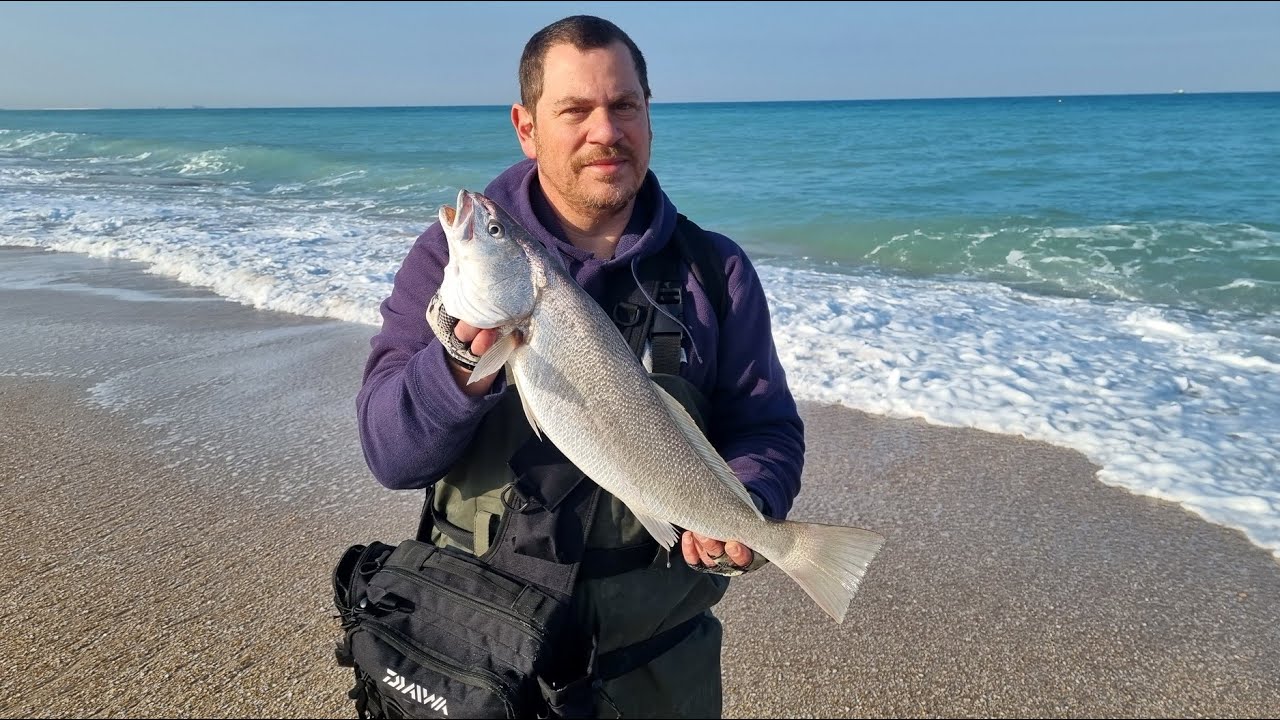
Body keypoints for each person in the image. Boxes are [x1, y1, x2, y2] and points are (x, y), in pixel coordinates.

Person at [356, 14, 805, 718]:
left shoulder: (714, 272)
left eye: (624, 105)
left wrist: (751, 503)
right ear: (526, 126)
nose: (606, 130)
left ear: (650, 115)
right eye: (575, 109)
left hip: (655, 670)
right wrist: (458, 367)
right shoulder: (453, 263)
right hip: (469, 653)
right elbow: (389, 454)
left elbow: (766, 426)